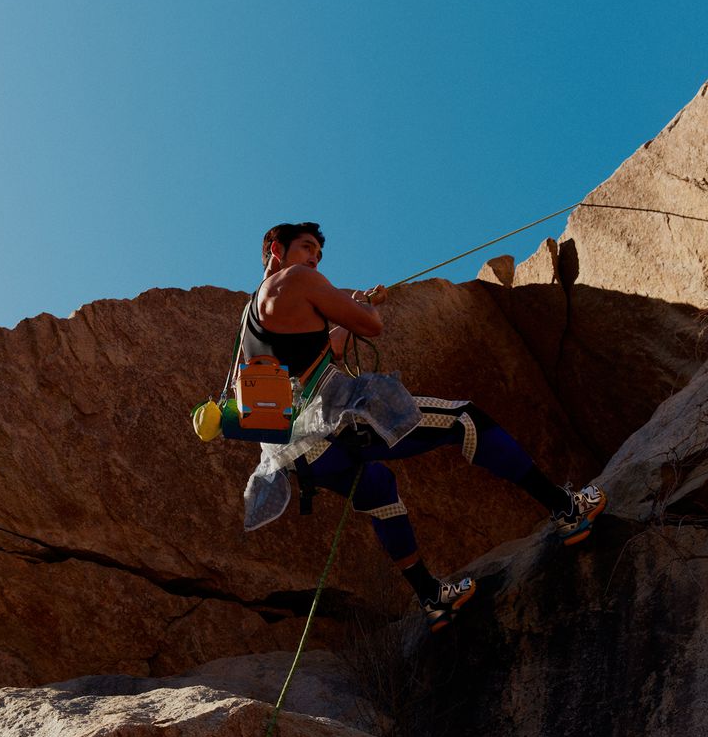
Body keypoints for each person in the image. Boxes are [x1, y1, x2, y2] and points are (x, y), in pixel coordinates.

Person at [239, 221, 606, 632]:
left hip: (296, 456)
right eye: (307, 248)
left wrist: (356, 308)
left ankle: (431, 597)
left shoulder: (254, 314)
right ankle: (566, 508)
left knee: (378, 489)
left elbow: (330, 347)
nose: (314, 260)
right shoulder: (296, 279)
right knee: (465, 419)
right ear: (276, 249)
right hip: (334, 425)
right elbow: (371, 327)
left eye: (318, 255)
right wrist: (366, 309)